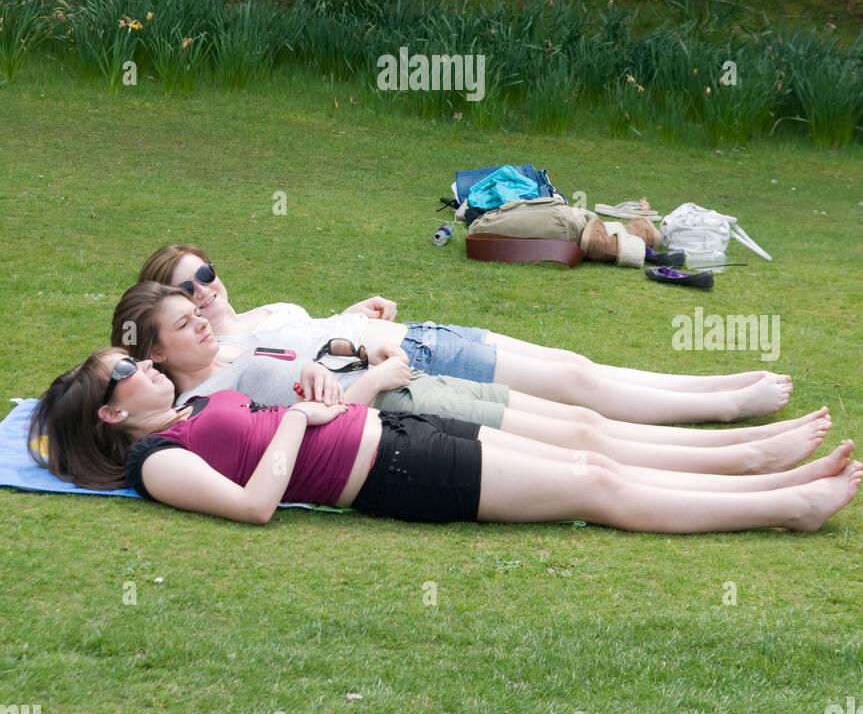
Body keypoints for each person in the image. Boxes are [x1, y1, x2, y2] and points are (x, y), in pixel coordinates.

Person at [30, 344, 860, 533]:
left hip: (395, 428)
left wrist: (344, 393)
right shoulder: (154, 461)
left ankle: (752, 463)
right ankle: (782, 503)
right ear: (109, 412)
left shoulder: (185, 415)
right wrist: (292, 418)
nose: (144, 365)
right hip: (395, 473)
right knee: (590, 488)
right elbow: (254, 506)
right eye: (126, 369)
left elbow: (295, 434)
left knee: (590, 457)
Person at [112, 282, 836, 473]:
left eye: (200, 297)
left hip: (404, 368)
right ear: (154, 354)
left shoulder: (239, 349)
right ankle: (734, 446)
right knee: (582, 434)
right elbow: (299, 423)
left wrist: (354, 344)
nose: (203, 314)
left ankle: (721, 417)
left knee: (580, 402)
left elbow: (315, 359)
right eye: (183, 319)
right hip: (401, 404)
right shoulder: (212, 399)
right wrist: (374, 373)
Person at [135, 243, 795, 426]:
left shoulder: (262, 315)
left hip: (418, 334)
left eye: (207, 273)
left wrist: (349, 311)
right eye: (187, 290)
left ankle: (710, 386)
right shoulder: (224, 356)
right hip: (407, 364)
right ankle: (721, 406)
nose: (205, 290)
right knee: (571, 386)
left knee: (573, 364)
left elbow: (309, 336)